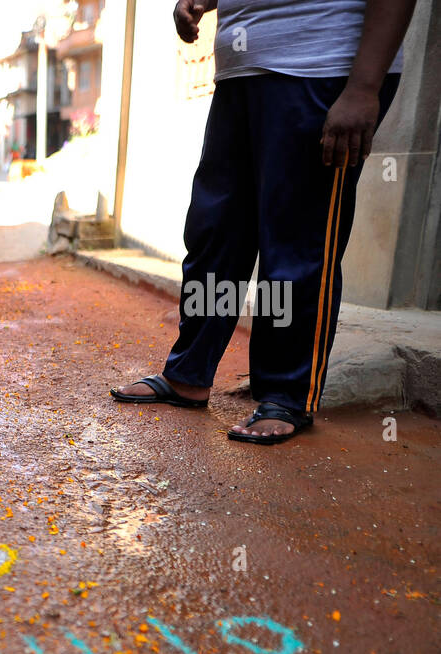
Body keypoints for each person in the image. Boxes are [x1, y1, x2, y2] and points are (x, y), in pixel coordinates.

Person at [111, 0, 415, 445]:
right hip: (241, 76)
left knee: (294, 243)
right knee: (215, 233)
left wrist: (363, 88)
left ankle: (285, 394)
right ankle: (188, 375)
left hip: (321, 67)